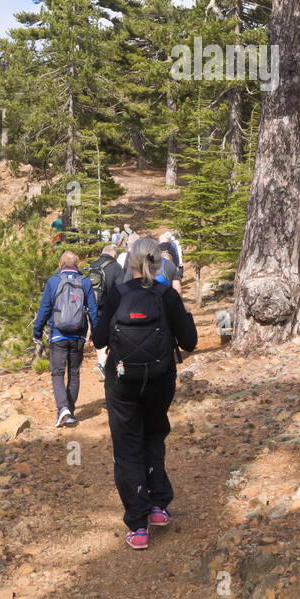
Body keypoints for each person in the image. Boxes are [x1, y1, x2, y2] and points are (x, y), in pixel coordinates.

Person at [93, 236, 197, 550]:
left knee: (127, 448)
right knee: (153, 436)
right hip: (159, 379)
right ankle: (158, 506)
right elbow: (189, 341)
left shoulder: (119, 294)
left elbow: (98, 340)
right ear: (157, 262)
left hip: (122, 381)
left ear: (133, 263)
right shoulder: (167, 295)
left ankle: (137, 524)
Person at [33, 251, 98, 428]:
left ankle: (63, 408)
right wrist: (95, 334)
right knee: (74, 373)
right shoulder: (84, 282)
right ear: (76, 264)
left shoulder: (54, 281)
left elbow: (44, 309)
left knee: (57, 373)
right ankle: (70, 411)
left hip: (58, 334)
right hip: (78, 335)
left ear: (61, 264)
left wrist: (37, 333)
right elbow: (93, 310)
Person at [85, 242, 122, 380]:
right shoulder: (116, 267)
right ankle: (102, 364)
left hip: (93, 306)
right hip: (109, 307)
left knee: (97, 333)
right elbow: (121, 288)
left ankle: (101, 362)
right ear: (114, 255)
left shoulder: (92, 265)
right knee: (110, 334)